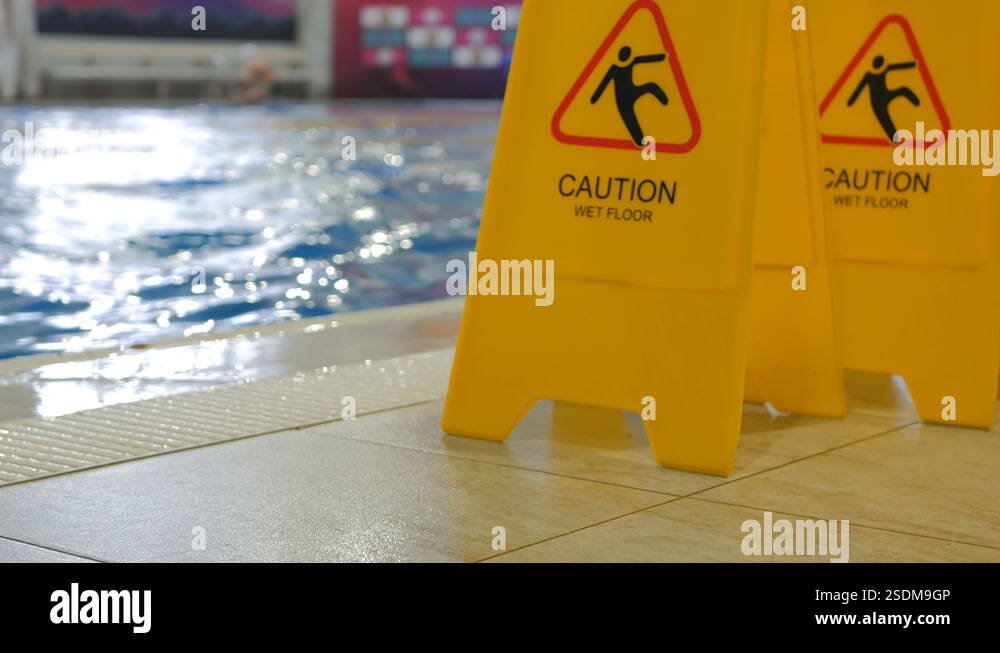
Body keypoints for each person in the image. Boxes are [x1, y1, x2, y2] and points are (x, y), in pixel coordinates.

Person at [590, 46, 668, 147]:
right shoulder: (614, 68)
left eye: (626, 54)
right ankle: (640, 141)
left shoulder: (631, 62)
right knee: (630, 120)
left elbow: (646, 59)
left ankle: (665, 101)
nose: (624, 56)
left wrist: (663, 56)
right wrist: (594, 99)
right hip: (622, 99)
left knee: (651, 86)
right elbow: (603, 84)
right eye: (623, 54)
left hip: (631, 91)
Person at [846, 55, 920, 142]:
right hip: (877, 103)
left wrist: (913, 64)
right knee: (885, 120)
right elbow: (859, 89)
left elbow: (898, 66)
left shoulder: (883, 69)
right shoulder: (868, 75)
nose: (877, 64)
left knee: (903, 90)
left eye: (879, 62)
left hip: (885, 95)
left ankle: (917, 103)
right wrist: (850, 102)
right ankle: (895, 139)